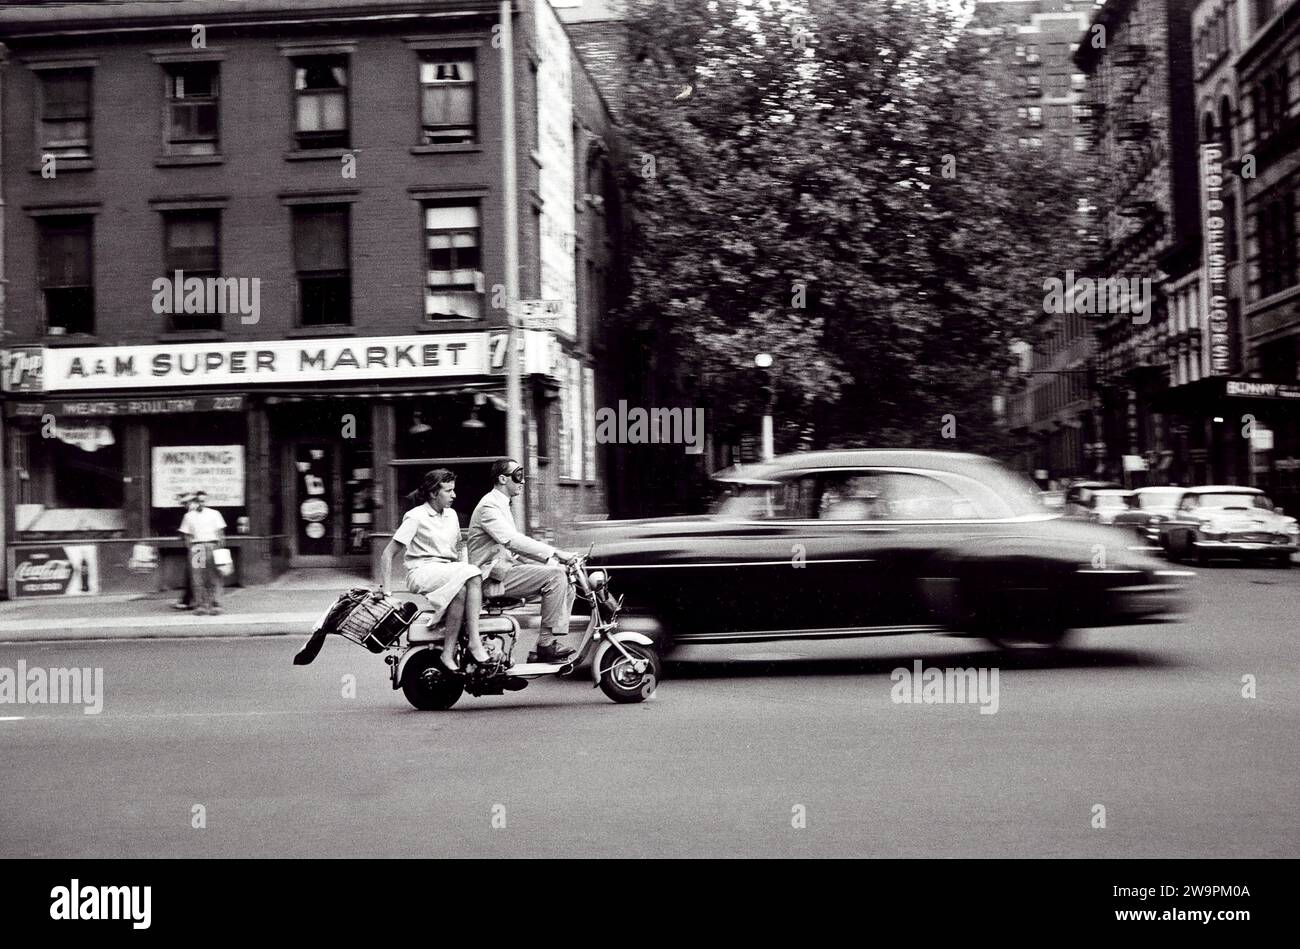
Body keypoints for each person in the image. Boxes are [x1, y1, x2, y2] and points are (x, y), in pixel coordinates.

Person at [379, 468, 492, 673]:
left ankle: (447, 654)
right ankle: (475, 642)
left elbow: (458, 546)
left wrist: (463, 567)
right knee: (474, 574)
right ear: (433, 493)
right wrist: (387, 593)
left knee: (462, 590)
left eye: (453, 490)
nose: (454, 495)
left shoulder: (451, 515)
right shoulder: (415, 516)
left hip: (446, 571)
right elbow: (388, 554)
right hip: (421, 571)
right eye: (448, 491)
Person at [468, 459, 579, 664]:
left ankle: (545, 643)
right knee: (555, 578)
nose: (523, 481)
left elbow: (514, 551)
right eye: (518, 475)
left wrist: (554, 563)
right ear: (502, 479)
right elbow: (512, 541)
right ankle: (545, 646)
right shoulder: (489, 506)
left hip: (503, 570)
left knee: (565, 579)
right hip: (488, 577)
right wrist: (556, 553)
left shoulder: (501, 504)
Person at [180, 491, 227, 615]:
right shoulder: (189, 516)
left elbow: (220, 533)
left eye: (203, 501)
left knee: (214, 577)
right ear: (194, 502)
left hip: (212, 545)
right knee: (197, 578)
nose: (201, 503)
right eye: (198, 501)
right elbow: (187, 535)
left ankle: (215, 604)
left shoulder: (215, 514)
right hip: (197, 547)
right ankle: (200, 605)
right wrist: (190, 547)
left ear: (206, 501)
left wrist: (220, 548)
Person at [173, 494, 198, 610]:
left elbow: (186, 534)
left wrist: (189, 547)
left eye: (185, 503)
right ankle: (190, 600)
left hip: (196, 548)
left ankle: (188, 601)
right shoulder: (202, 513)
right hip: (200, 547)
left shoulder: (190, 515)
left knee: (192, 574)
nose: (184, 506)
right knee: (195, 574)